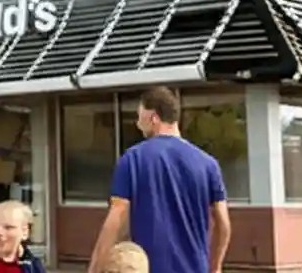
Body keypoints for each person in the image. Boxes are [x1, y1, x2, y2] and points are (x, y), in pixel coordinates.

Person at [87, 87, 232, 273]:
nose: (138, 124)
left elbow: (117, 218)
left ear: (153, 118)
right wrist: (216, 266)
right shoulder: (209, 164)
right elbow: (223, 223)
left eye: (140, 116)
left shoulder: (132, 160)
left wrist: (95, 268)